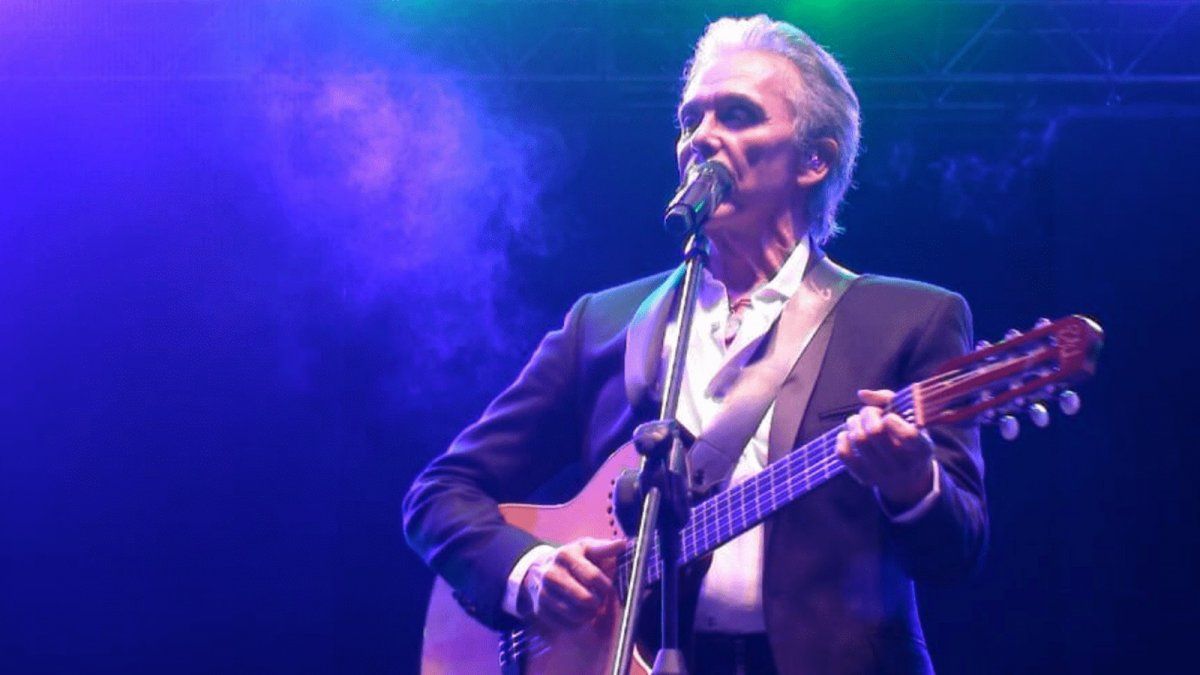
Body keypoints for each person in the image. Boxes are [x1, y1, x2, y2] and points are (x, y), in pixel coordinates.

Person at [404, 14, 987, 674]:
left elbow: (956, 553)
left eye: (737, 114)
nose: (702, 138)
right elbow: (440, 493)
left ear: (813, 159)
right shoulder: (604, 323)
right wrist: (530, 572)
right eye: (690, 119)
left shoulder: (908, 319)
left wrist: (913, 485)